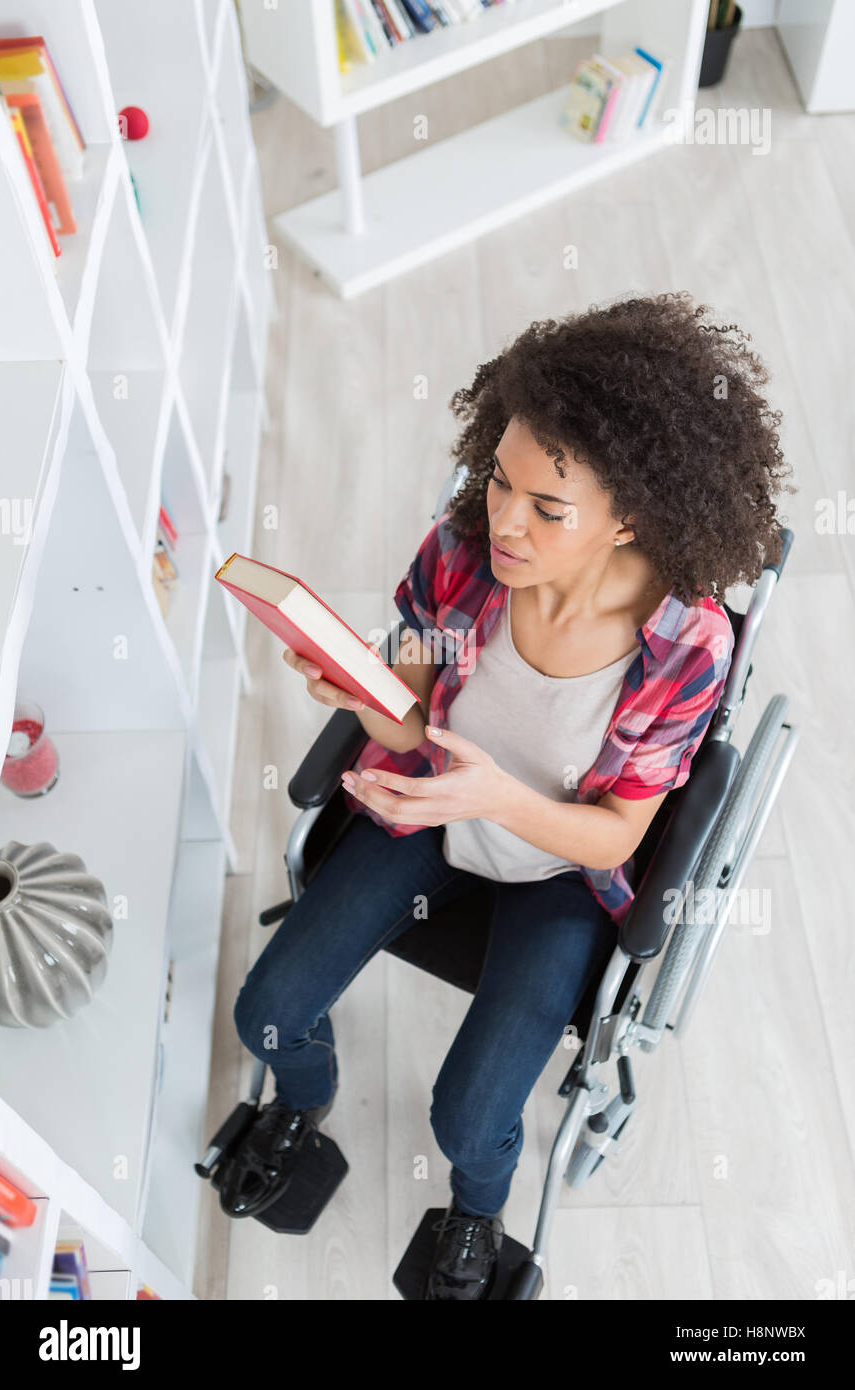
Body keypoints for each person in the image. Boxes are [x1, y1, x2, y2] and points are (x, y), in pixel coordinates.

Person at [228, 292, 792, 1300]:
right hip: (434, 801)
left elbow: (614, 835)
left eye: (544, 507)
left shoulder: (682, 643)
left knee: (467, 1113)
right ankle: (299, 1105)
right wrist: (359, 695)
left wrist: (487, 797)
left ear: (628, 519)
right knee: (267, 1013)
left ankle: (475, 1215)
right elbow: (409, 712)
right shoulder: (462, 555)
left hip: (560, 874)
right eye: (499, 480)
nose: (501, 518)